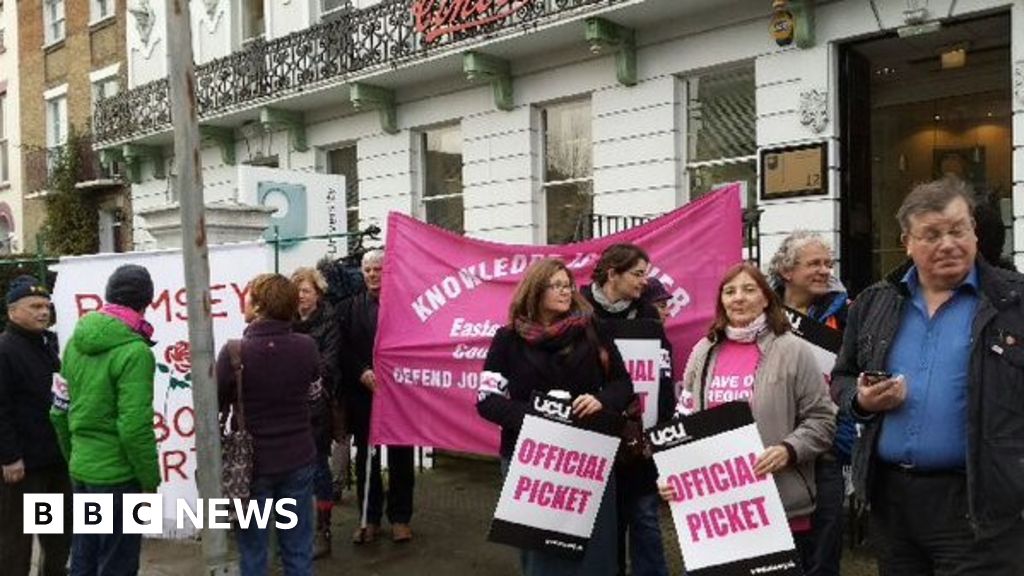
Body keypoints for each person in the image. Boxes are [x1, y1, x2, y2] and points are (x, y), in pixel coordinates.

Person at [831, 177, 1024, 575]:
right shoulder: (874, 303)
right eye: (932, 235)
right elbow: (842, 378)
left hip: (982, 505)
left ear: (974, 231)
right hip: (892, 505)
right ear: (907, 242)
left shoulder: (1013, 302)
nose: (948, 244)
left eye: (958, 230)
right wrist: (861, 400)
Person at [663, 262, 836, 570]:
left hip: (778, 506)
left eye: (748, 289)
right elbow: (684, 418)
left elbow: (822, 420)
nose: (738, 298)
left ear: (766, 298)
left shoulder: (793, 350)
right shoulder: (704, 350)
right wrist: (673, 471)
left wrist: (788, 450)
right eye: (729, 291)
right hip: (716, 513)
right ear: (721, 301)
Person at [477, 258, 632, 576]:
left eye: (568, 285)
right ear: (535, 290)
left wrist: (601, 400)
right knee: (541, 556)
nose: (566, 291)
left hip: (587, 459)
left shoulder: (593, 330)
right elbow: (487, 401)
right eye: (556, 285)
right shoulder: (507, 339)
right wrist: (538, 415)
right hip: (530, 461)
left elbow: (622, 384)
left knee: (595, 553)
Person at [52, 264, 161, 575]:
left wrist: (75, 457)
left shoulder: (74, 343)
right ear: (147, 301)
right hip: (118, 476)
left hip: (82, 470)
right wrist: (149, 479)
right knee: (118, 563)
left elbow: (58, 410)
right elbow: (134, 427)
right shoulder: (136, 352)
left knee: (83, 557)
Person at [216, 273, 319, 576]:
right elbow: (315, 395)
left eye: (249, 296)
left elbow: (214, 403)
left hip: (251, 467)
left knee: (254, 552)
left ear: (259, 306)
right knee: (298, 549)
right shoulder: (307, 347)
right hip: (298, 458)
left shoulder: (234, 352)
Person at [768, 231, 853, 576]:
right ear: (787, 271)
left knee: (823, 557)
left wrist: (845, 437)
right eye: (814, 263)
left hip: (825, 453)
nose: (824, 270)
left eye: (827, 263)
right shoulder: (760, 314)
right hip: (774, 451)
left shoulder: (847, 315)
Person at [583, 244, 670, 576]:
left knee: (645, 518)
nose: (644, 281)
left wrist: (660, 429)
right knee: (606, 527)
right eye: (637, 274)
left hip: (639, 439)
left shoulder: (648, 314)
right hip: (596, 435)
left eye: (645, 274)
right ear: (612, 274)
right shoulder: (578, 309)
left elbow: (663, 377)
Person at [339, 249, 416, 544]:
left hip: (398, 393)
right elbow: (342, 348)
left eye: (378, 269)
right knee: (366, 457)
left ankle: (400, 518)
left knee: (401, 455)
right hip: (363, 392)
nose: (373, 274)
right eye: (368, 270)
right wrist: (361, 372)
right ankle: (368, 518)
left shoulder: (405, 306)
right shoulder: (349, 308)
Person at [0, 276, 72, 576]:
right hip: (22, 466)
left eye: (46, 306)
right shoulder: (5, 349)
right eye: (35, 306)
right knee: (16, 541)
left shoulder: (48, 344)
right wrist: (9, 456)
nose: (43, 312)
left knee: (57, 537)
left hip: (54, 458)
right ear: (13, 311)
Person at [291, 266, 341, 558]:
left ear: (318, 293)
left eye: (306, 290)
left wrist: (298, 369)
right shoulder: (286, 321)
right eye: (297, 291)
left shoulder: (330, 322)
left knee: (319, 466)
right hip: (291, 405)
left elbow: (328, 365)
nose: (301, 296)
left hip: (319, 406)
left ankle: (323, 528)